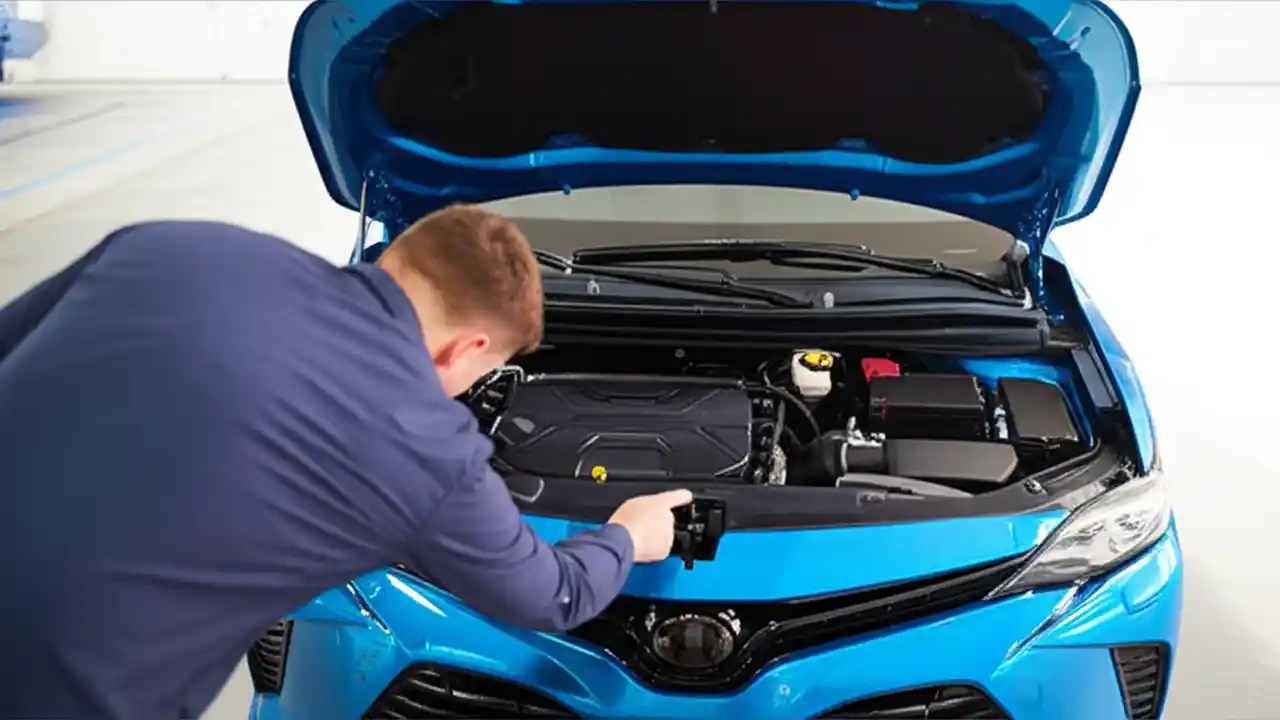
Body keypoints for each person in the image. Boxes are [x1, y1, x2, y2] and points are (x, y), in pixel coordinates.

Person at [0, 206, 692, 718]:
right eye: (486, 372)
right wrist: (629, 535)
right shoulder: (423, 446)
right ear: (468, 349)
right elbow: (551, 596)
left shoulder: (176, 245)